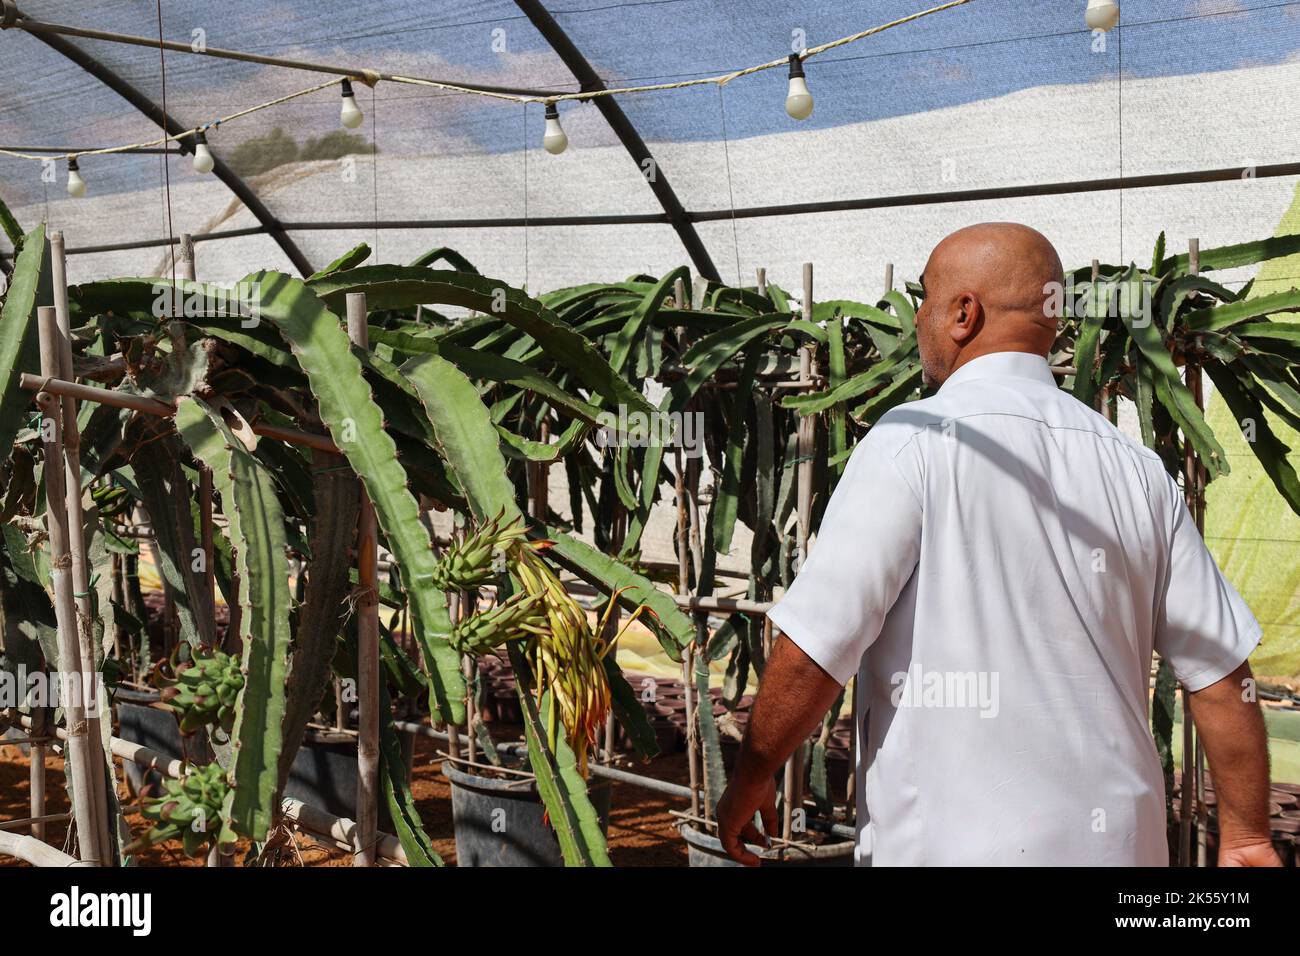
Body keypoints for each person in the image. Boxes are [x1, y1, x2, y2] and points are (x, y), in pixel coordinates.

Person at [715, 222, 1280, 867]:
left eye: (925, 298)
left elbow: (815, 650)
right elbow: (1219, 674)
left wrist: (752, 775)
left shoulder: (913, 442)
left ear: (963, 313)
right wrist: (1247, 836)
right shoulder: (1136, 468)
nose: (917, 319)